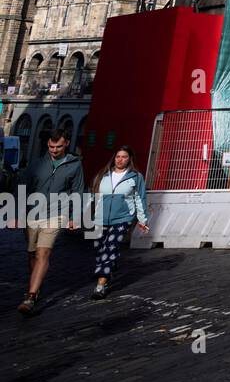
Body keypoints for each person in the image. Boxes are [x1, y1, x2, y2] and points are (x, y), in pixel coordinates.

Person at [15, 128, 84, 315]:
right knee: (32, 254)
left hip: (57, 214)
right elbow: (23, 187)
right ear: (48, 144)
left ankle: (30, 296)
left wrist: (74, 217)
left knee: (43, 252)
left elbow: (77, 191)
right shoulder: (37, 163)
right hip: (32, 213)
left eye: (58, 146)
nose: (54, 150)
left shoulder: (75, 164)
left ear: (66, 144)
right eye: (51, 146)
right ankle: (36, 285)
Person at [88, 146, 149, 299]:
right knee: (99, 249)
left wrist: (142, 220)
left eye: (124, 157)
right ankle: (110, 266)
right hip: (100, 218)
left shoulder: (135, 177)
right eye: (118, 157)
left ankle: (101, 285)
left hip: (122, 218)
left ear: (130, 159)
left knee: (110, 247)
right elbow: (92, 196)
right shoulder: (103, 174)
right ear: (114, 158)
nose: (120, 160)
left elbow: (140, 199)